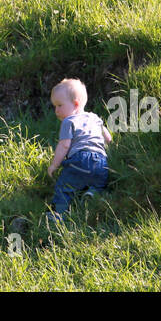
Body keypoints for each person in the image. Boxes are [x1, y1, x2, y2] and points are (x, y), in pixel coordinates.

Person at [46, 78, 111, 222]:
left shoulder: (68, 121)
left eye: (59, 105)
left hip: (79, 160)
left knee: (65, 186)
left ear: (75, 104)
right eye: (55, 106)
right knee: (99, 182)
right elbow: (108, 138)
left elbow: (64, 146)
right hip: (101, 161)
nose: (56, 110)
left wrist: (54, 165)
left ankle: (58, 213)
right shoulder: (94, 118)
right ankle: (92, 194)